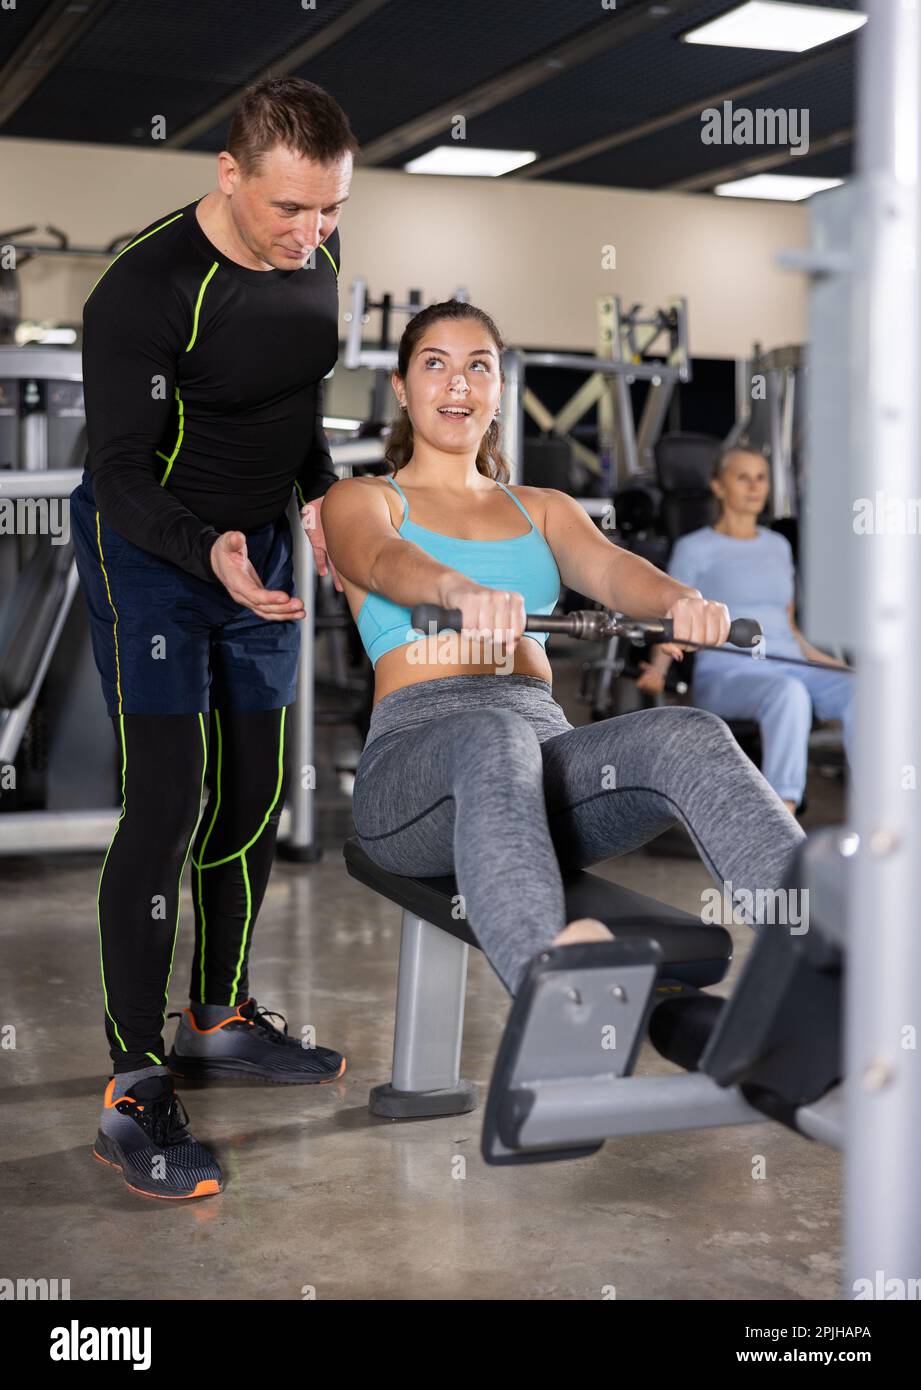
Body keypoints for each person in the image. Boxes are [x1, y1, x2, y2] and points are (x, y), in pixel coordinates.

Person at [322, 302, 806, 1000]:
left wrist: (678, 602)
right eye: (436, 365)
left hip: (546, 764)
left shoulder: (540, 507)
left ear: (497, 390)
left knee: (687, 732)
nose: (458, 383)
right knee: (493, 736)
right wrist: (457, 590)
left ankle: (829, 945)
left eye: (477, 367)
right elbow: (379, 559)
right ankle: (546, 977)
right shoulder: (363, 497)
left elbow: (612, 572)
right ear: (401, 387)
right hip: (414, 770)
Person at [70, 77, 355, 1200]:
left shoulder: (316, 254)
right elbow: (118, 476)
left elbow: (295, 407)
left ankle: (218, 1015)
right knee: (169, 800)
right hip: (156, 559)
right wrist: (211, 553)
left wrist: (323, 498)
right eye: (290, 209)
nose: (311, 234)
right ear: (227, 174)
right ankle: (135, 1078)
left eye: (329, 210)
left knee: (249, 803)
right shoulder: (143, 290)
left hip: (263, 553)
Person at [636, 447, 854, 814]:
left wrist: (838, 668)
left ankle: (885, 812)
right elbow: (675, 616)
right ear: (718, 487)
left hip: (791, 660)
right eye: (743, 477)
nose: (755, 487)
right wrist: (658, 670)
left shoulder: (779, 546)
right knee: (789, 693)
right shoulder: (695, 548)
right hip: (730, 670)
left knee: (865, 690)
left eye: (761, 477)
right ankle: (781, 813)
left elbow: (790, 627)